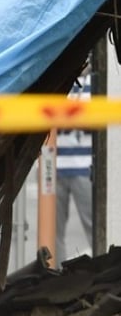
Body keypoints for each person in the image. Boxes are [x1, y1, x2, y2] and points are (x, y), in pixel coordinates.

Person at [55, 69, 93, 263]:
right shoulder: (59, 84)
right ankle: (55, 276)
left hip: (84, 167)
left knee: (93, 226)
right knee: (53, 233)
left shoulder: (95, 85)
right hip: (55, 166)